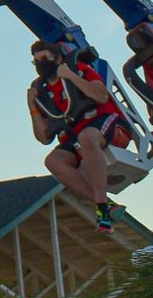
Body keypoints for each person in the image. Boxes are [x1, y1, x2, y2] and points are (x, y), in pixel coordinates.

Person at [28, 38, 128, 228]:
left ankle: (101, 209)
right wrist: (32, 106)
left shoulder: (78, 69)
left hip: (103, 122)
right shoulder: (42, 92)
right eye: (36, 61)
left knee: (86, 137)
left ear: (57, 58)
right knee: (53, 161)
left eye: (45, 58)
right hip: (73, 133)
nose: (41, 64)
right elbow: (43, 137)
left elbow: (101, 95)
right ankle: (105, 204)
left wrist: (71, 76)